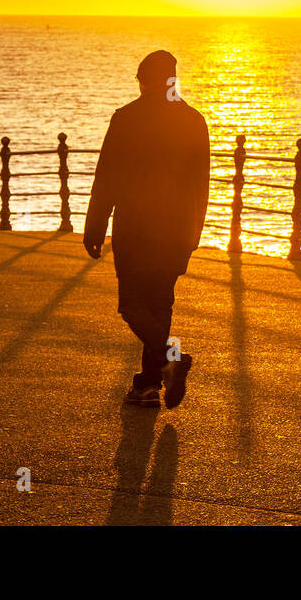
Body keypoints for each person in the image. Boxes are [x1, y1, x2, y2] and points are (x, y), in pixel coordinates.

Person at [83, 50, 211, 410]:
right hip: (176, 228)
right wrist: (193, 231)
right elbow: (201, 183)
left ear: (145, 80)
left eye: (140, 80)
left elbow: (106, 175)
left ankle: (172, 359)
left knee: (131, 304)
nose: (139, 86)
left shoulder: (127, 118)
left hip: (136, 225)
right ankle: (150, 383)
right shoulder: (192, 120)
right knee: (159, 302)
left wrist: (95, 224)